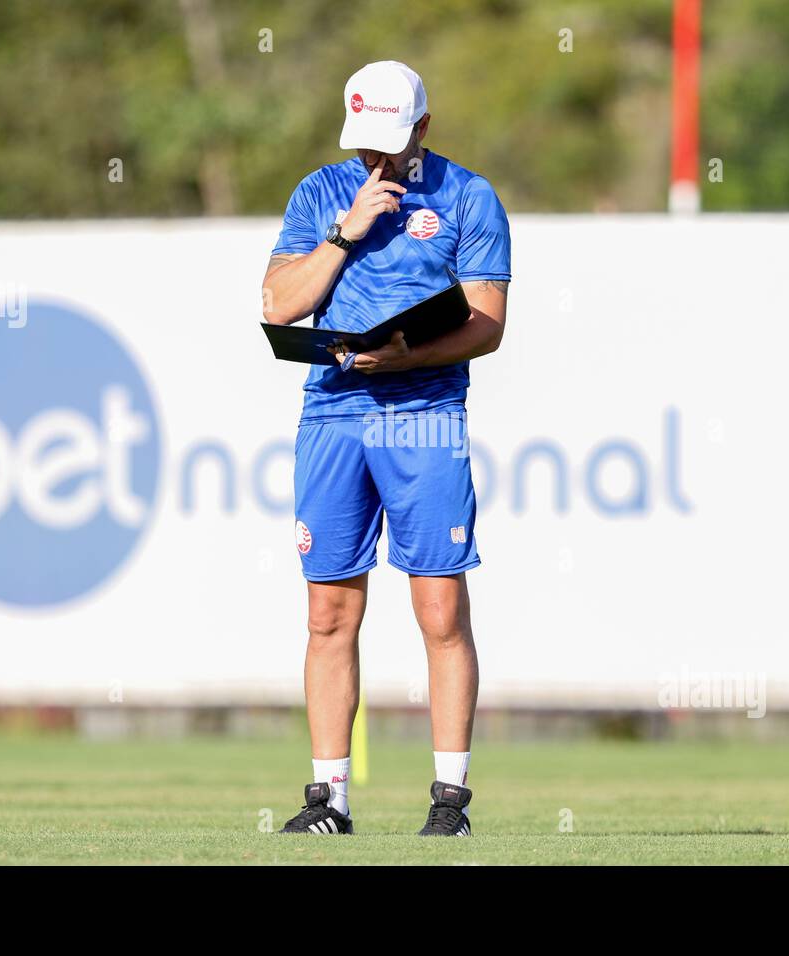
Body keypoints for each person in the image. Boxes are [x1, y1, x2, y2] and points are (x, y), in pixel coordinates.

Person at [262, 61, 510, 836]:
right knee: (328, 612)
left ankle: (449, 803)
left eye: (392, 141)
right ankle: (328, 801)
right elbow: (280, 303)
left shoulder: (469, 197)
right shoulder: (320, 194)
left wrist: (409, 357)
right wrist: (346, 232)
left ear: (423, 129)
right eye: (365, 141)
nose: (376, 156)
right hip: (333, 414)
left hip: (426, 414)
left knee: (440, 608)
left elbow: (487, 323)